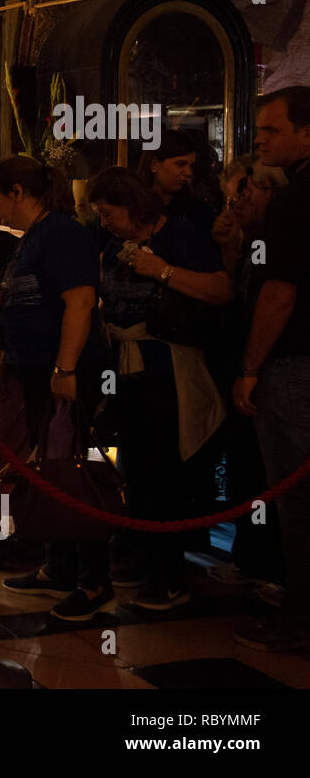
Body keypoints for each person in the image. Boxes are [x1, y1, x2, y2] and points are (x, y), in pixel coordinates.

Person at [88, 168, 231, 611]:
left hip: (167, 367)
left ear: (134, 207)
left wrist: (162, 271)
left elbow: (221, 289)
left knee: (163, 470)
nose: (105, 222)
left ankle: (168, 576)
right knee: (135, 467)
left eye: (109, 213)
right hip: (124, 365)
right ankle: (141, 555)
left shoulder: (182, 236)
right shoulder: (112, 244)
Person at [0, 156, 111, 621]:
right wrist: (7, 366)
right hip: (35, 369)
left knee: (72, 470)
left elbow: (79, 301)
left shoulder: (63, 233)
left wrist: (66, 368)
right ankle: (57, 565)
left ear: (18, 192)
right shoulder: (33, 239)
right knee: (50, 469)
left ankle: (95, 578)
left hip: (66, 372)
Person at [232, 86, 310, 651]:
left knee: (297, 499)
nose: (259, 141)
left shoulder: (295, 199)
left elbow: (280, 293)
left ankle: (300, 622)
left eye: (272, 130)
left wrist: (251, 368)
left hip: (294, 365)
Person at [208, 156, 287, 590]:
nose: (237, 202)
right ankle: (252, 557)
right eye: (232, 194)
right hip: (240, 367)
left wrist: (251, 368)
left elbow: (272, 302)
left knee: (265, 469)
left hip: (267, 371)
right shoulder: (253, 243)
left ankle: (271, 567)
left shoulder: (281, 240)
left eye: (245, 191)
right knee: (244, 467)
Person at [137, 128, 216, 237]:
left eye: (191, 166)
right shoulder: (133, 208)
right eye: (180, 164)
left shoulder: (198, 213)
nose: (188, 172)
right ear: (154, 164)